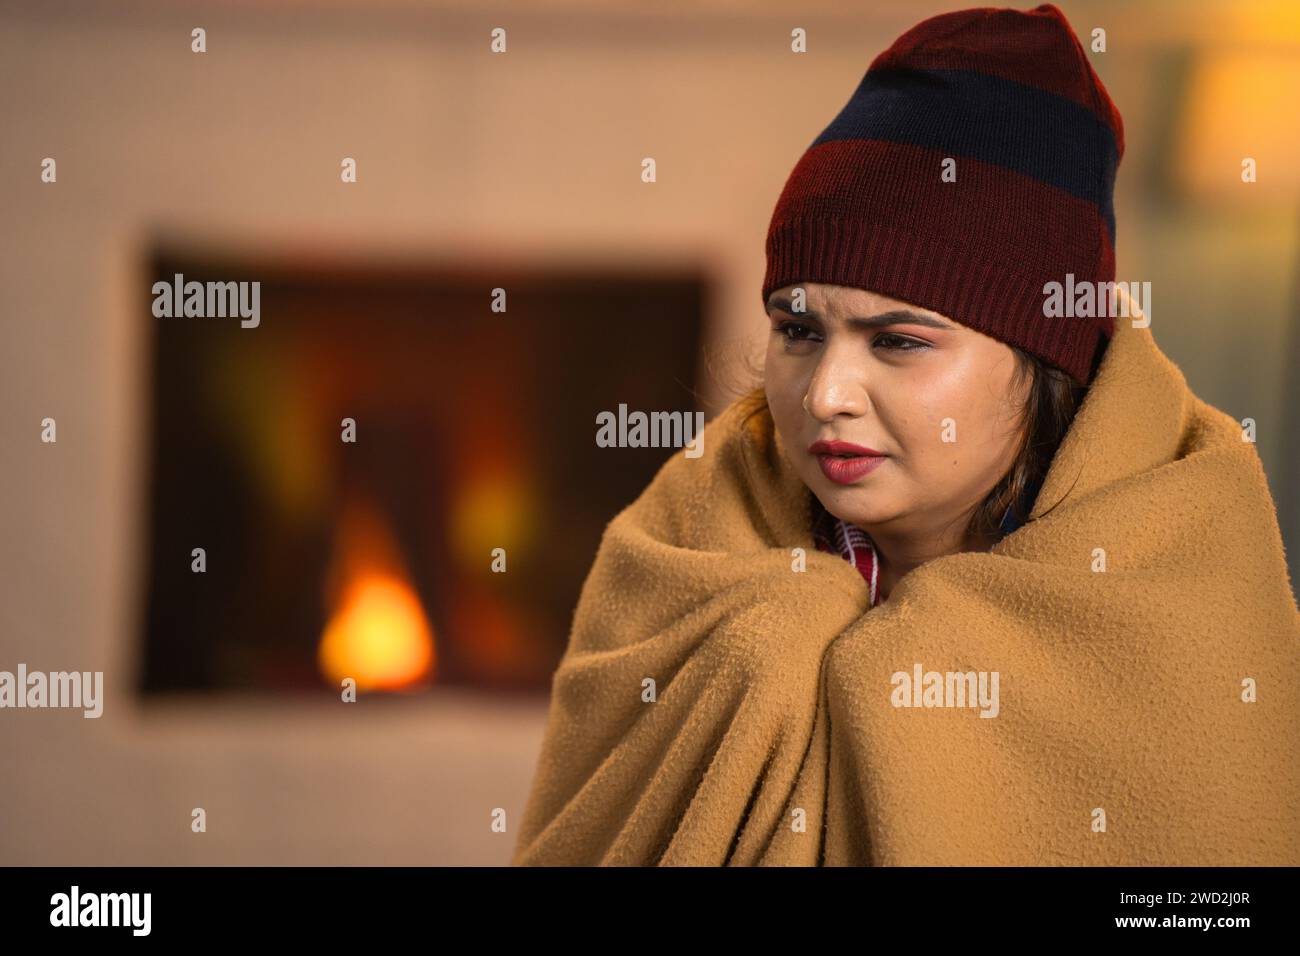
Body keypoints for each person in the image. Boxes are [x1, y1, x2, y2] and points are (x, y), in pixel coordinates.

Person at [512, 3, 1300, 866]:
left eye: (900, 341)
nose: (827, 396)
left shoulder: (1180, 569)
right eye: (798, 330)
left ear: (1046, 361)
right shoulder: (683, 539)